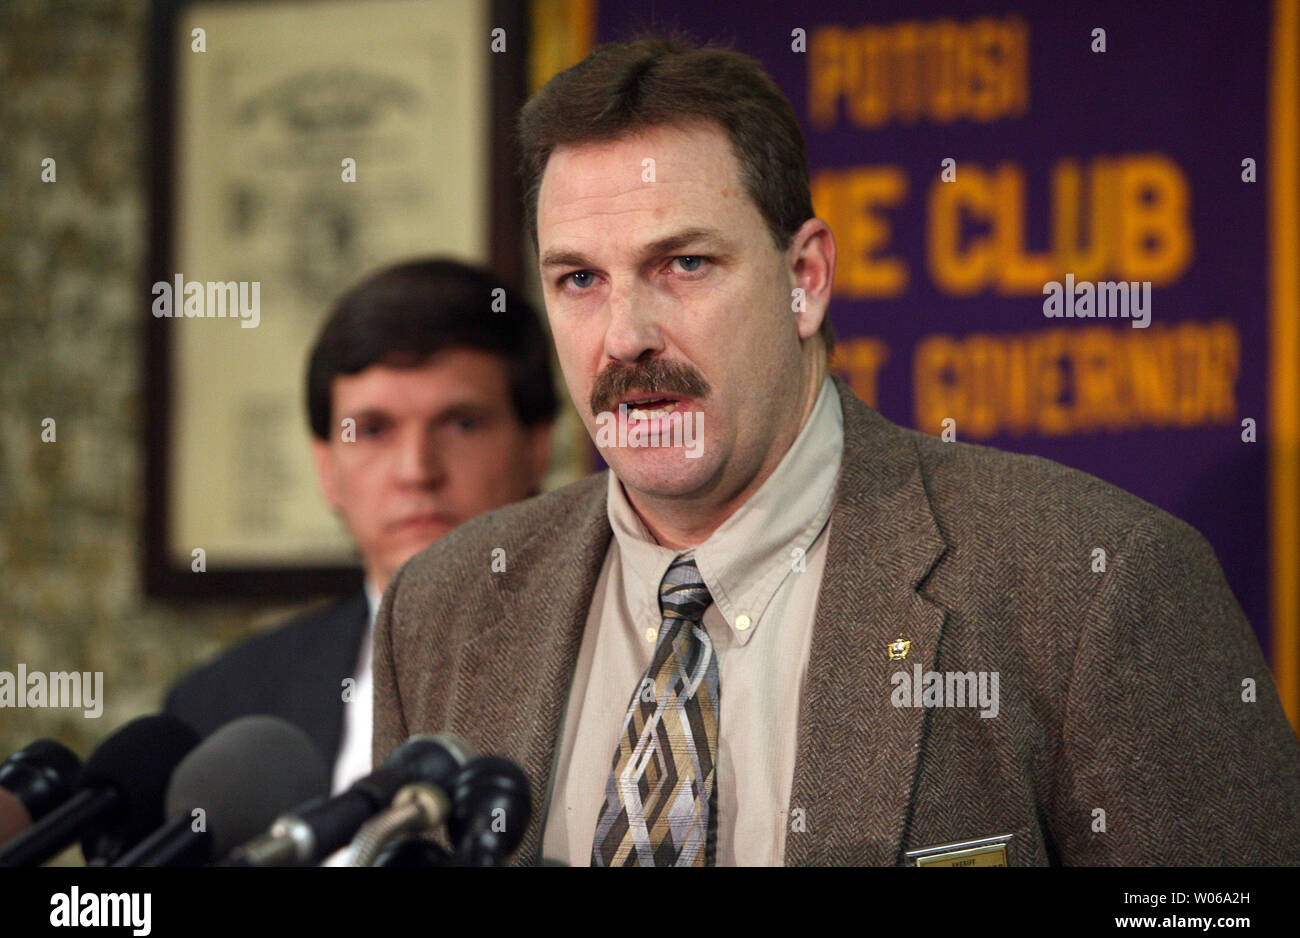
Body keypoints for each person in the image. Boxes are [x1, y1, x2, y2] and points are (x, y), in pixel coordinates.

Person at [371, 35, 1300, 866]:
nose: (625, 337)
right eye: (579, 279)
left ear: (804, 280)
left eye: (684, 265)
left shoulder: (1094, 582)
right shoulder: (442, 612)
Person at [166, 259, 556, 797]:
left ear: (538, 448)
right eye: (373, 430)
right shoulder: (220, 704)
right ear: (327, 469)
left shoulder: (622, 667)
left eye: (462, 423)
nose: (417, 470)